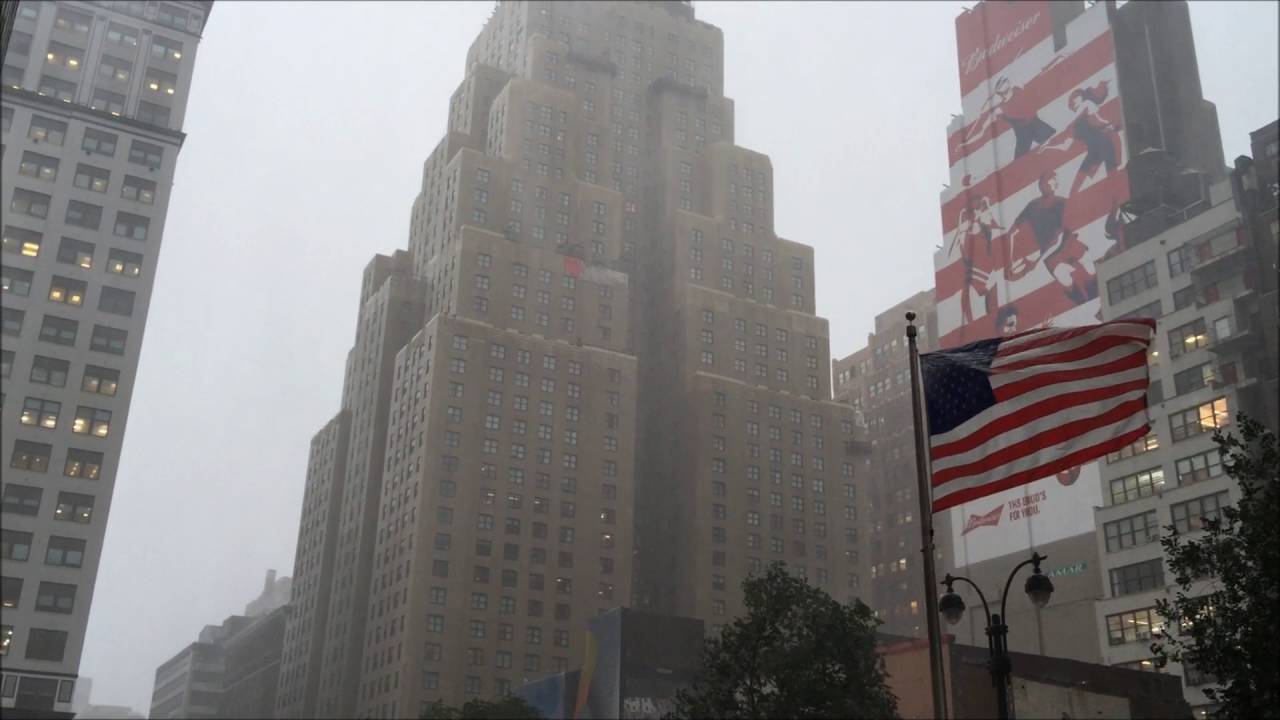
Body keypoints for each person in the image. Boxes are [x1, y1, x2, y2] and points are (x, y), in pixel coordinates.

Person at [1006, 171, 1097, 305]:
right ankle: (1085, 304)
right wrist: (1011, 260)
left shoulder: (1061, 202)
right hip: (1052, 256)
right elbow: (1011, 232)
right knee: (1066, 279)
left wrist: (1035, 262)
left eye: (1056, 179)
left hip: (1068, 245)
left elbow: (1059, 237)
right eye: (1053, 179)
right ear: (1044, 184)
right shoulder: (1033, 206)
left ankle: (1097, 298)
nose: (1056, 182)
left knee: (1089, 270)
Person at [1038, 80, 1121, 197]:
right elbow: (1065, 147)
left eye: (1076, 96)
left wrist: (1048, 140)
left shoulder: (1086, 104)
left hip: (1108, 142)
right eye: (1072, 98)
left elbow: (1069, 126)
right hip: (1096, 151)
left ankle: (1114, 212)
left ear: (1082, 97)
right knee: (1075, 187)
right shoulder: (1076, 127)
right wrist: (1048, 146)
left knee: (1113, 181)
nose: (1074, 99)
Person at [956, 76, 1057, 158]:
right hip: (1023, 137)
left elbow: (1042, 72)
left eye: (1007, 84)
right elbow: (981, 131)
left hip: (1037, 126)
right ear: (1000, 93)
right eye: (1004, 89)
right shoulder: (1000, 109)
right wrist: (964, 144)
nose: (1008, 90)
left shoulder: (1017, 89)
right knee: (1019, 166)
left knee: (1058, 140)